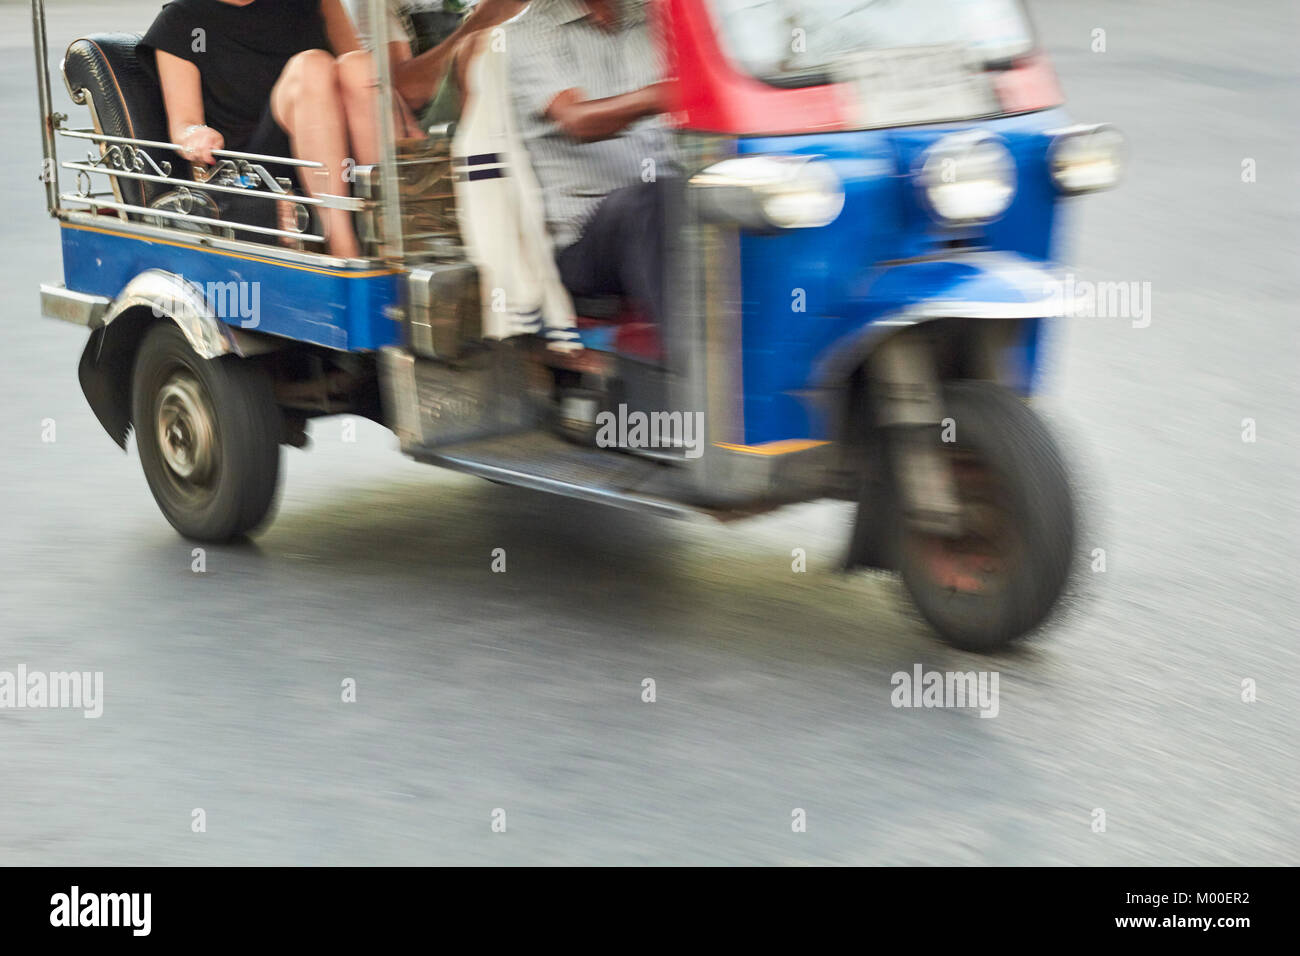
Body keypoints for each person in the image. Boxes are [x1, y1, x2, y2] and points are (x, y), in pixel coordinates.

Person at [141, 0, 378, 258]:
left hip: (340, 154)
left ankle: (389, 226)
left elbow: (365, 78)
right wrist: (197, 135)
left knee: (356, 66)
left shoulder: (318, 4)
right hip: (254, 168)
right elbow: (184, 124)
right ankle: (343, 249)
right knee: (312, 66)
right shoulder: (184, 20)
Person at [503, 0, 676, 334]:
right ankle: (691, 371)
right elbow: (577, 119)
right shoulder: (530, 33)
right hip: (581, 242)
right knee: (647, 202)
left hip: (662, 206)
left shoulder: (652, 17)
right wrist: (665, 94)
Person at [345, 0, 529, 131]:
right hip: (434, 125)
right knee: (479, 45)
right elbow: (408, 92)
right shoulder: (374, 4)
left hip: (515, 103)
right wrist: (482, 20)